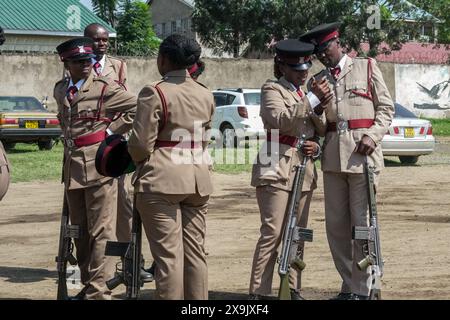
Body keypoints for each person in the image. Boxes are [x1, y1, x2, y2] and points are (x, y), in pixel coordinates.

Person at [300, 22, 394, 300]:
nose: (322, 55)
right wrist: (316, 103)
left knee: (363, 226)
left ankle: (364, 289)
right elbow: (318, 125)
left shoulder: (366, 67)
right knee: (336, 228)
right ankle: (351, 284)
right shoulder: (317, 80)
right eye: (318, 52)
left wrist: (373, 136)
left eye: (325, 48)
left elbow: (386, 108)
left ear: (337, 43)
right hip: (332, 160)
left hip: (362, 158)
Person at [128, 34, 214, 300]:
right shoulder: (205, 93)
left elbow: (141, 145)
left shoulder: (154, 91)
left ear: (163, 59)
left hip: (162, 179)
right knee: (195, 254)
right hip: (198, 179)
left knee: (168, 257)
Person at [249, 39, 333, 300]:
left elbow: (319, 129)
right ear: (282, 67)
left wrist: (316, 147)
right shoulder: (272, 89)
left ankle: (293, 287)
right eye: (297, 69)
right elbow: (280, 121)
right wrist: (311, 98)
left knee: (297, 233)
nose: (304, 73)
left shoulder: (302, 94)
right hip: (275, 165)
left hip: (302, 168)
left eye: (306, 68)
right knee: (272, 233)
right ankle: (259, 292)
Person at [54, 37, 137, 300]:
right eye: (78, 61)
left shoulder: (104, 88)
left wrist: (112, 131)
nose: (86, 65)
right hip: (72, 168)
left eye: (88, 60)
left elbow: (139, 106)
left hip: (98, 167)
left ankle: (99, 292)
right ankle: (89, 283)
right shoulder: (60, 89)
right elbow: (63, 119)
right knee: (78, 231)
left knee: (101, 231)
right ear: (66, 63)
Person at [83, 23, 153, 282]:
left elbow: (128, 105)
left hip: (110, 146)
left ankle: (132, 261)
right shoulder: (76, 65)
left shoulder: (118, 66)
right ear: (86, 40)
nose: (102, 44)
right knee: (88, 209)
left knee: (123, 205)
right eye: (96, 39)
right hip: (83, 147)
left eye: (105, 40)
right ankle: (92, 265)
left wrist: (112, 130)